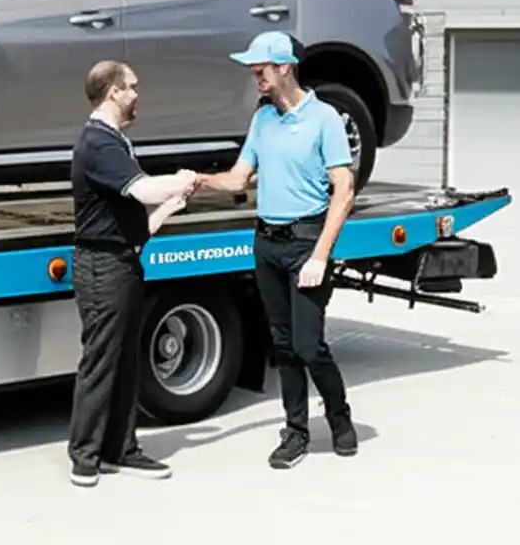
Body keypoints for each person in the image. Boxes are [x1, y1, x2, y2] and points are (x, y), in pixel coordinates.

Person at [192, 31, 359, 469]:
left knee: (309, 345)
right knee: (282, 346)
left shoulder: (324, 118)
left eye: (260, 69)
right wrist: (196, 181)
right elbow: (238, 178)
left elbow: (344, 189)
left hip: (307, 242)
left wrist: (320, 255)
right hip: (266, 243)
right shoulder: (263, 119)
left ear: (284, 67)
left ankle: (339, 417)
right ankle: (296, 430)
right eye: (252, 70)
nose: (255, 76)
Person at [67, 59, 196, 487]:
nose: (138, 94)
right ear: (113, 93)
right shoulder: (100, 143)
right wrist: (179, 180)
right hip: (104, 268)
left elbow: (125, 218)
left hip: (118, 261)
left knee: (123, 361)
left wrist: (164, 210)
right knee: (102, 361)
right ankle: (85, 458)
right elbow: (141, 188)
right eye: (133, 87)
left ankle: (119, 450)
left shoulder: (112, 141)